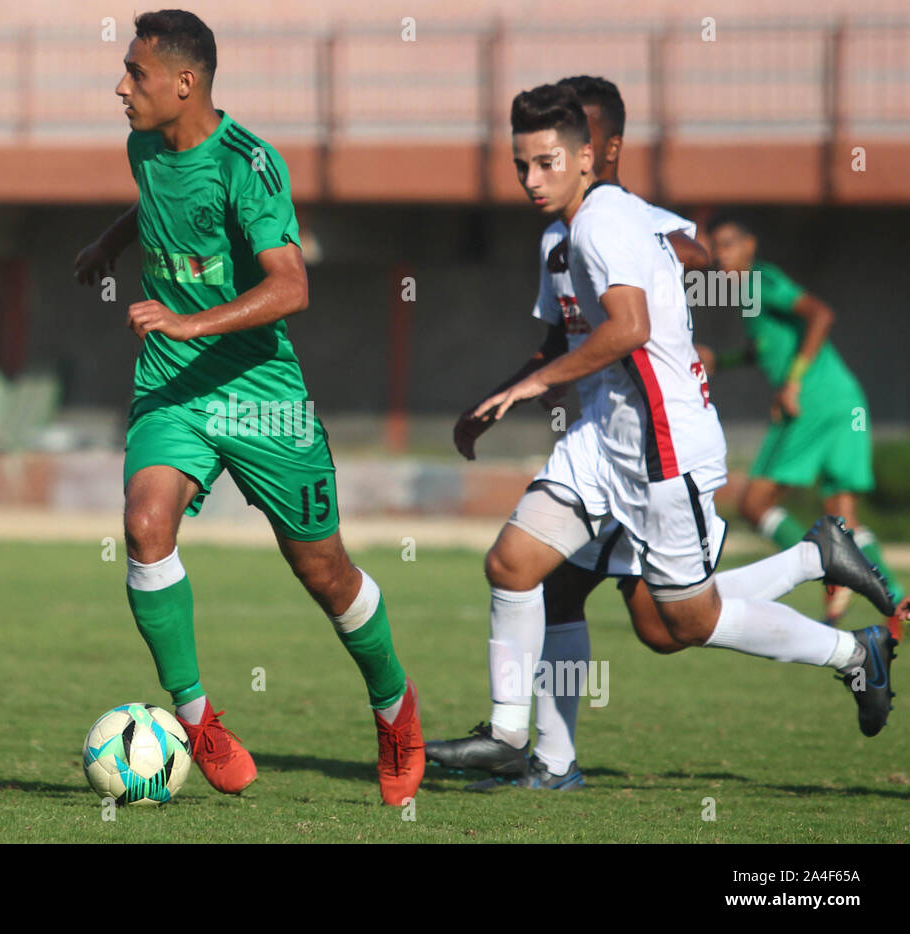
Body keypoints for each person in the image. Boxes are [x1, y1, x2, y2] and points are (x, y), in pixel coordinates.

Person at [426, 85, 904, 785]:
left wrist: (540, 381)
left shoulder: (610, 222)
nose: (532, 178)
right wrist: (507, 391)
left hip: (661, 447)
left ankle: (850, 647)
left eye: (547, 161)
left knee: (680, 623)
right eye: (521, 164)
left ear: (594, 153)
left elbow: (634, 324)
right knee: (519, 568)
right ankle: (516, 739)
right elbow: (569, 336)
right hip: (600, 442)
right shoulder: (564, 233)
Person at [73, 9, 423, 805]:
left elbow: (292, 286)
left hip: (263, 398)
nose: (121, 87)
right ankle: (196, 721)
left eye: (136, 73)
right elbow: (157, 203)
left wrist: (191, 318)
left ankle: (395, 707)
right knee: (143, 524)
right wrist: (110, 244)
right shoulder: (143, 147)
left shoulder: (250, 165)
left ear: (184, 83)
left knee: (324, 572)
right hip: (174, 385)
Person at [704, 216, 904, 638]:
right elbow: (765, 348)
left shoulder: (760, 280)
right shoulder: (748, 297)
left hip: (813, 402)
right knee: (844, 521)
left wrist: (793, 380)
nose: (720, 255)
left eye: (727, 244)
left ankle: (828, 566)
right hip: (845, 399)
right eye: (714, 247)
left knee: (754, 503)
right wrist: (721, 362)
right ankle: (899, 600)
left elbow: (820, 314)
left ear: (749, 245)